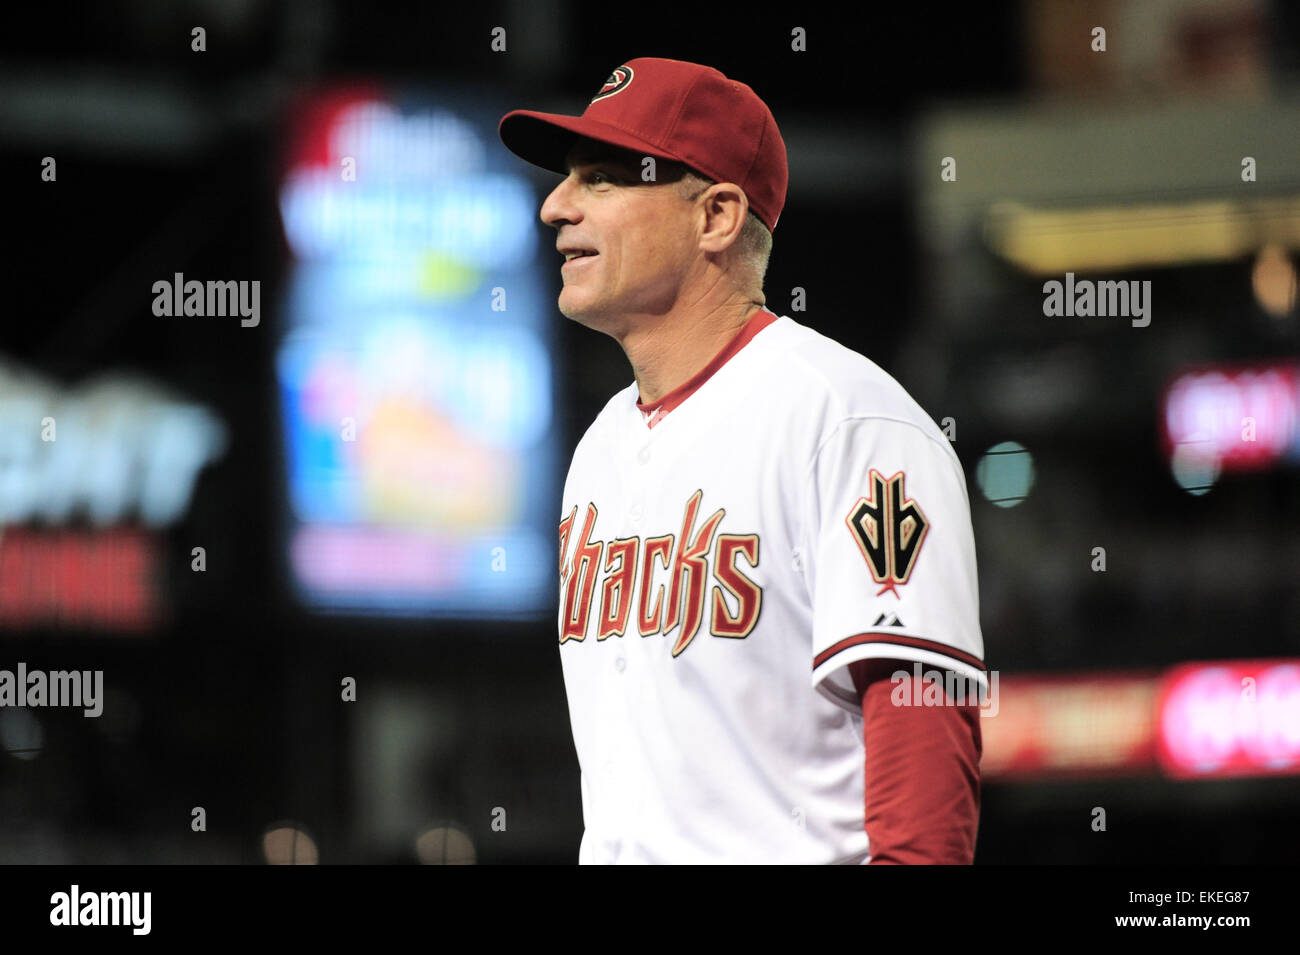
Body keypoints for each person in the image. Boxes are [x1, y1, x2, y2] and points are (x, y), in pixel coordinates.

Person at [499, 56, 987, 864]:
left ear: (717, 216)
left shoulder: (847, 420)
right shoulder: (599, 449)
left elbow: (921, 727)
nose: (556, 205)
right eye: (567, 180)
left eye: (605, 179)